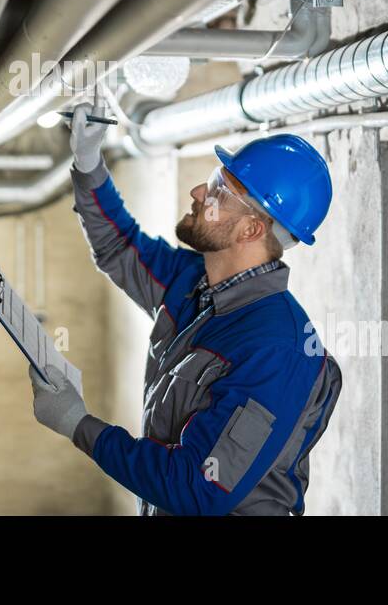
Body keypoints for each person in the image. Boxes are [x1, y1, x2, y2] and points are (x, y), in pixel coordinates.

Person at [28, 101, 342, 515]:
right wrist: (88, 164)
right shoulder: (193, 283)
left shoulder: (275, 347)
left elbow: (199, 488)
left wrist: (79, 425)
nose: (199, 193)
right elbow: (118, 247)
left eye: (219, 191)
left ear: (251, 229)